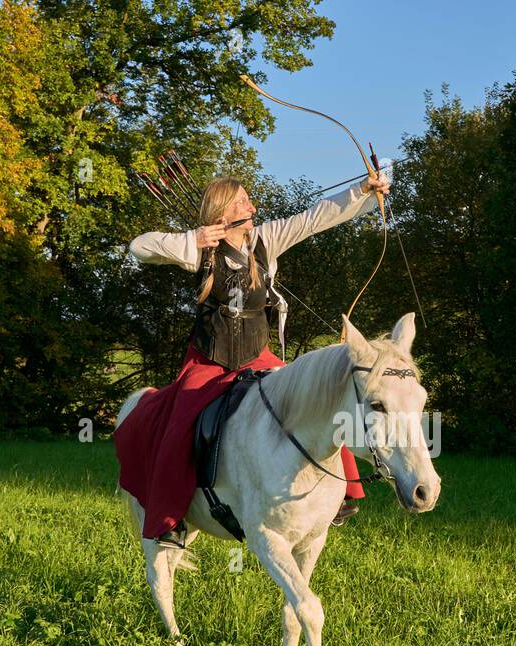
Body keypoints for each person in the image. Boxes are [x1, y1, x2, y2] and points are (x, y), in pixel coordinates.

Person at [115, 170, 391, 546]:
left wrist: (361, 190)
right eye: (244, 201)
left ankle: (341, 494)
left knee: (315, 398)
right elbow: (140, 246)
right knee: (180, 425)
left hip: (256, 357)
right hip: (209, 361)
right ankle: (170, 519)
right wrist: (192, 239)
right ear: (224, 212)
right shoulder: (200, 250)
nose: (253, 206)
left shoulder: (264, 240)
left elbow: (315, 217)